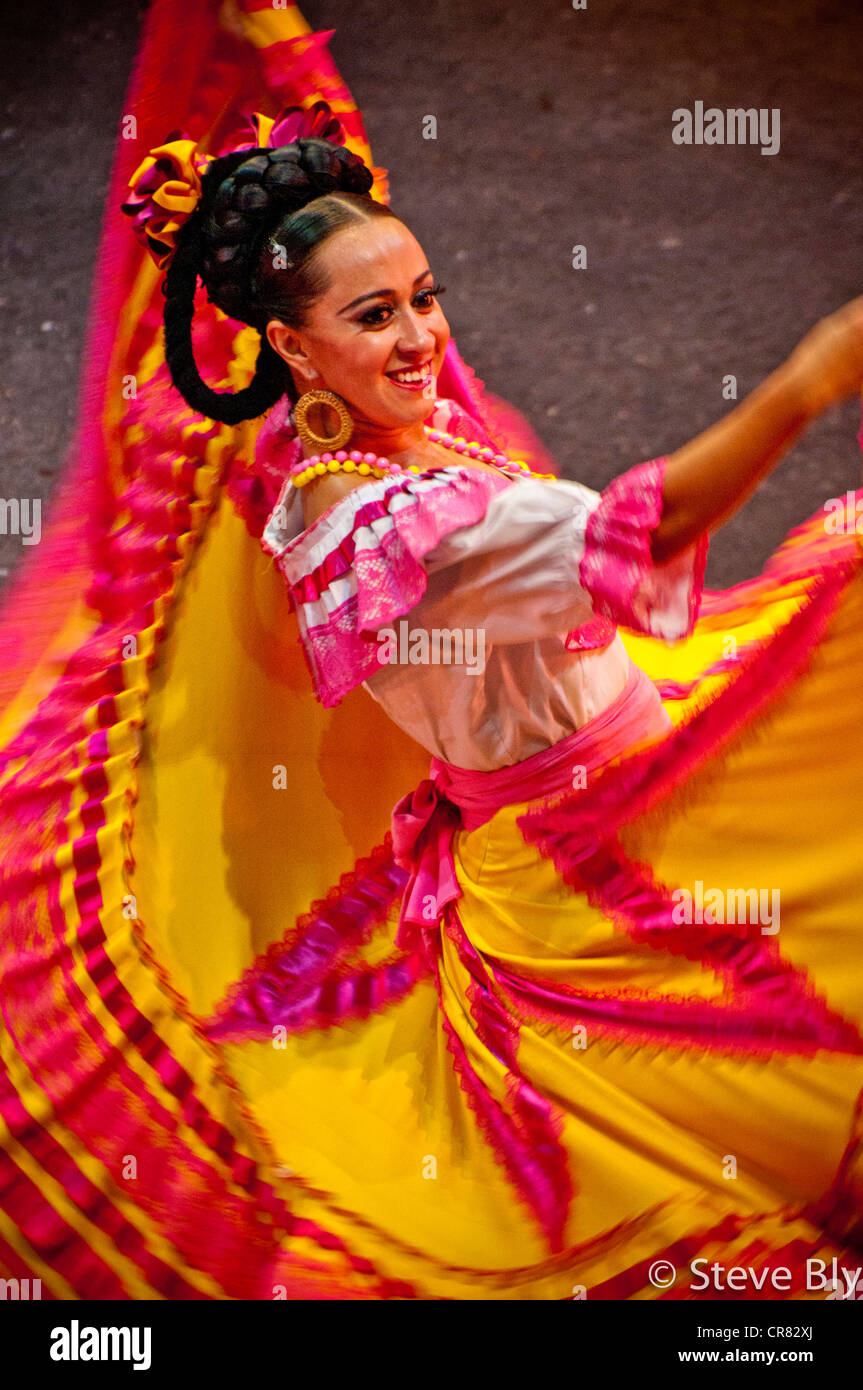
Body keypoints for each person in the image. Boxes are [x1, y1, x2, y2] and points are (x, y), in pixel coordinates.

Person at [2, 0, 862, 1301]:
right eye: (376, 319)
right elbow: (649, 526)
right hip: (601, 870)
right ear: (292, 347)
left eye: (424, 298)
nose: (419, 340)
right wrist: (813, 379)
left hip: (610, 794)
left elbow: (354, 295)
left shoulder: (335, 443)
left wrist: (283, 82)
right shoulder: (412, 527)